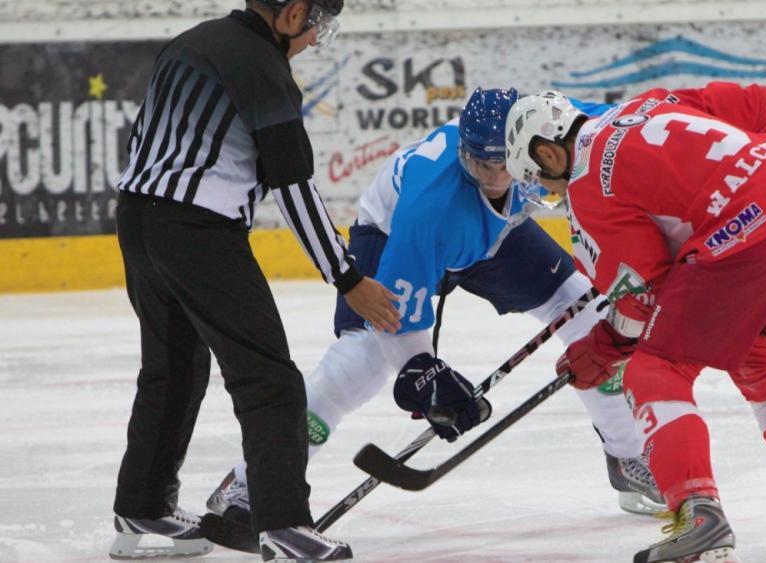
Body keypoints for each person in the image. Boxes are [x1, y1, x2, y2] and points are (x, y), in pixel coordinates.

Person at [206, 88, 666, 535]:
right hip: (391, 236)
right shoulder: (429, 206)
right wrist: (425, 375)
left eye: (502, 163)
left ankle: (627, 456)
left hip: (496, 236)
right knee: (360, 360)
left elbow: (621, 123)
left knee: (589, 315)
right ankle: (249, 484)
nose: (493, 176)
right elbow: (398, 321)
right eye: (480, 163)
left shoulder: (548, 122)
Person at [503, 83, 766, 562]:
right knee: (764, 358)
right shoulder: (649, 103)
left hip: (748, 240)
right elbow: (761, 104)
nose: (550, 192)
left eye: (542, 179)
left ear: (549, 152)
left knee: (654, 372)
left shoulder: (589, 186)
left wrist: (606, 347)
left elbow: (643, 297)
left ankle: (699, 516)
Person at [109, 1, 400, 561]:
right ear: (292, 14)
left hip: (137, 218)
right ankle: (284, 526)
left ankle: (140, 505)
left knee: (171, 370)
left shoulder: (190, 41)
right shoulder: (265, 69)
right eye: (317, 24)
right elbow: (294, 190)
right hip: (197, 232)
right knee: (270, 381)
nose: (316, 40)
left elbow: (143, 137)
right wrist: (347, 276)